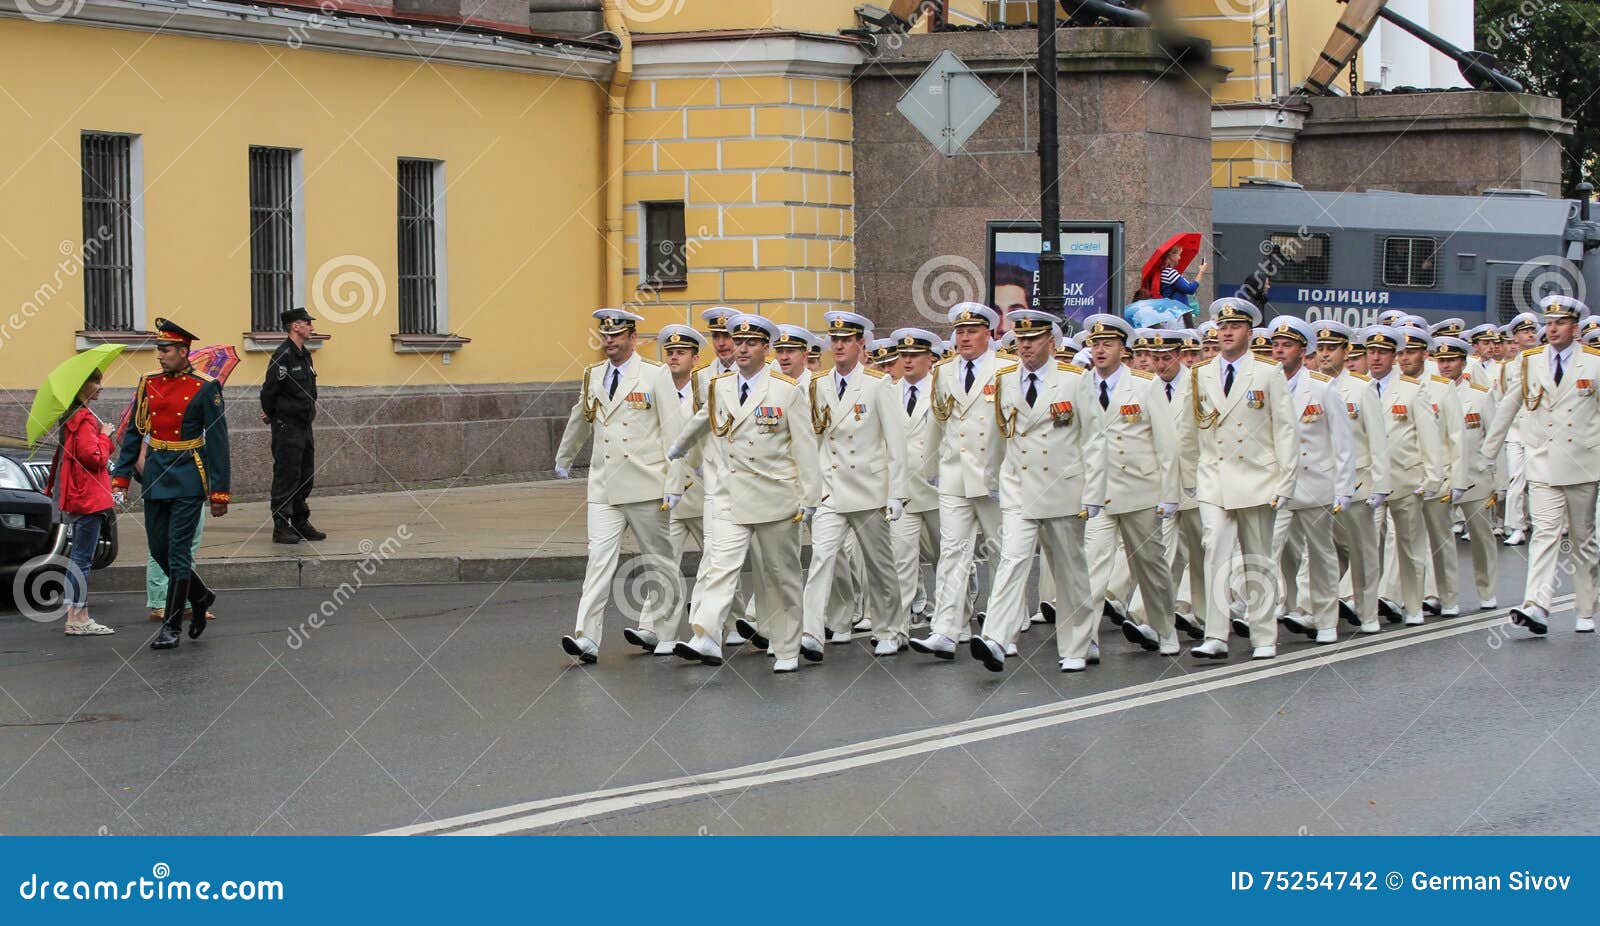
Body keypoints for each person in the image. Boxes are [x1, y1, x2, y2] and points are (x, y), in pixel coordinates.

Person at [668, 314, 821, 672]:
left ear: (766, 348)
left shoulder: (786, 390)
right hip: (730, 495)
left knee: (782, 576)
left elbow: (805, 448)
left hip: (775, 498)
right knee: (720, 566)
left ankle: (787, 648)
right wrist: (678, 447)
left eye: (751, 343)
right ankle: (706, 636)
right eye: (738, 343)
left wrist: (811, 498)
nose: (741, 349)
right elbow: (703, 418)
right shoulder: (719, 385)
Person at [968, 310, 1099, 672]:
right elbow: (998, 433)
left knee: (1070, 570)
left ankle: (1077, 644)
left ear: (1050, 342)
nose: (1024, 346)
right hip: (1019, 487)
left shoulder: (1074, 380)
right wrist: (992, 479)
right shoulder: (1005, 379)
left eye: (1033, 339)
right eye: (1020, 339)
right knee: (1011, 561)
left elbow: (1094, 439)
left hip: (1063, 488)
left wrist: (1094, 490)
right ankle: (996, 638)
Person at [551, 309, 685, 663]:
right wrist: (565, 457)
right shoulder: (593, 374)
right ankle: (586, 638)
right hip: (604, 485)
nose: (609, 340)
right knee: (598, 561)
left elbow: (673, 431)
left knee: (659, 561)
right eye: (605, 335)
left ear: (633, 338)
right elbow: (580, 418)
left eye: (617, 335)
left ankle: (666, 631)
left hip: (646, 485)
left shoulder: (655, 374)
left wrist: (675, 482)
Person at [1179, 298, 1297, 660]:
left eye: (1235, 327)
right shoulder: (1201, 372)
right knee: (1214, 548)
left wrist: (1285, 481)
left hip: (1257, 476)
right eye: (1222, 327)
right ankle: (1216, 634)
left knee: (1257, 557)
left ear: (1249, 332)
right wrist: (1188, 476)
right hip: (1214, 476)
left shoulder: (1267, 372)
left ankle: (1263, 635)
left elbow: (1286, 429)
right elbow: (1188, 430)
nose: (1227, 332)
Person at [1480, 295, 1600, 636]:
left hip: (1583, 464)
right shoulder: (1530, 361)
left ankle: (1585, 608)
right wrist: (1488, 452)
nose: (1553, 329)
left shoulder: (1594, 362)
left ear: (1575, 328)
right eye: (1549, 323)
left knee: (1583, 539)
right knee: (1544, 535)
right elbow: (1508, 406)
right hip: (1543, 462)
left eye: (1561, 323)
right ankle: (1536, 604)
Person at [111, 318, 231, 651]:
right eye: (159, 350)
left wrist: (220, 492)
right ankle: (200, 594)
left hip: (189, 474)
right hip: (156, 473)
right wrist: (121, 477)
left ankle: (172, 626)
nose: (160, 355)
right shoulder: (148, 383)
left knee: (178, 552)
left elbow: (218, 442)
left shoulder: (206, 386)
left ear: (182, 351)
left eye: (165, 350)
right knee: (159, 550)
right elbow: (134, 433)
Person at [798, 311, 908, 661]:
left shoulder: (877, 384)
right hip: (831, 490)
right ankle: (811, 631)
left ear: (861, 343)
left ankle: (889, 629)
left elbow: (896, 443)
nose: (839, 346)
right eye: (835, 340)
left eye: (846, 340)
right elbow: (812, 439)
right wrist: (809, 491)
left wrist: (897, 493)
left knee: (879, 565)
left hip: (869, 489)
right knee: (821, 559)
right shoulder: (818, 385)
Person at [1079, 317, 1181, 657]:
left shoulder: (1144, 384)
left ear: (1123, 350)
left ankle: (1165, 628)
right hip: (1097, 492)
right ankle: (1085, 639)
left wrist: (1170, 494)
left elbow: (1167, 443)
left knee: (1150, 566)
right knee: (1092, 566)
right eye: (1095, 344)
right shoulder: (1080, 384)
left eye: (1107, 344)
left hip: (1140, 490)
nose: (1100, 350)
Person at [911, 302, 1005, 660]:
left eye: (972, 331)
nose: (964, 338)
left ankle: (1001, 629)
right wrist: (931, 466)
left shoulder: (1005, 369)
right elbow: (937, 421)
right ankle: (945, 631)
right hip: (954, 474)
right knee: (952, 552)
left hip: (993, 476)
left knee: (1000, 551)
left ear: (988, 334)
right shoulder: (944, 371)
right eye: (960, 332)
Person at [1268, 316, 1355, 645]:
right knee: (1266, 551)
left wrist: (1344, 487)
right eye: (1276, 345)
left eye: (1287, 346)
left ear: (1303, 351)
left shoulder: (1321, 387)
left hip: (1315, 482)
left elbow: (1343, 442)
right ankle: (1260, 611)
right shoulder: (1265, 385)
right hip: (1278, 485)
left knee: (1320, 554)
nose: (1279, 351)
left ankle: (1325, 618)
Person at [1366, 325, 1444, 627]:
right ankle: (1365, 604)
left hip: (1406, 478)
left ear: (1394, 356)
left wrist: (1432, 478)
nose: (1375, 358)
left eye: (1382, 353)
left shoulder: (1412, 390)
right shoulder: (1360, 388)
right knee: (1366, 544)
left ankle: (1412, 606)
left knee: (1409, 547)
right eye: (1371, 352)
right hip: (1370, 480)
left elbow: (1429, 437)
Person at [46, 369, 116, 636]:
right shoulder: (84, 419)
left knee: (79, 557)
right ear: (81, 386)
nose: (100, 387)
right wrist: (105, 436)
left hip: (77, 495)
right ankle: (79, 617)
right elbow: (94, 458)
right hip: (88, 497)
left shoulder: (72, 418)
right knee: (82, 559)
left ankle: (74, 616)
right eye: (95, 381)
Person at [1433, 335, 1500, 611]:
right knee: (1440, 541)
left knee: (1482, 538)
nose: (1446, 365)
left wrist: (1498, 481)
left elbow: (1494, 439)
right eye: (1441, 361)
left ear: (1463, 362)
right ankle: (1446, 597)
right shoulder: (1429, 393)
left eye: (1451, 360)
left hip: (1475, 477)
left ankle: (1487, 591)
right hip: (1442, 477)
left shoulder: (1480, 396)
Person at [260, 307, 323, 545]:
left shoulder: (304, 354)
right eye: (307, 323)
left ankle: (299, 521)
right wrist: (272, 414)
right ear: (295, 326)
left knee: (305, 474)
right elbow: (269, 391)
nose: (311, 327)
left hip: (304, 425)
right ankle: (281, 525)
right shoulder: (283, 355)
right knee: (287, 475)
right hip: (287, 426)